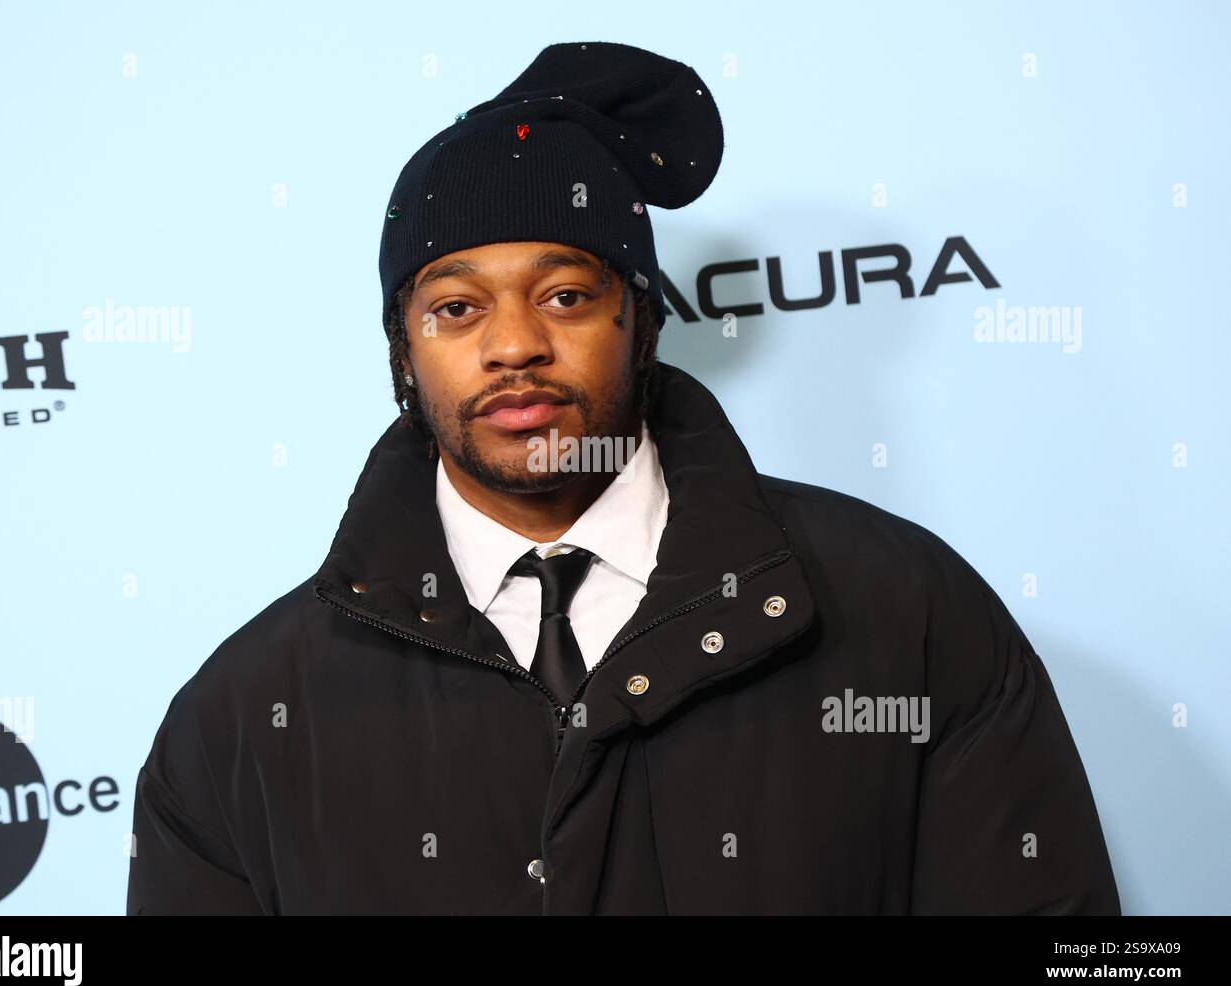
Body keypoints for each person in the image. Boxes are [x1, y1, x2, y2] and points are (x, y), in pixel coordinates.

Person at [126, 40, 1120, 915]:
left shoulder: (902, 609)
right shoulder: (243, 721)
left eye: (565, 294)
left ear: (641, 319)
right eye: (456, 309)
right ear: (401, 351)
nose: (515, 344)